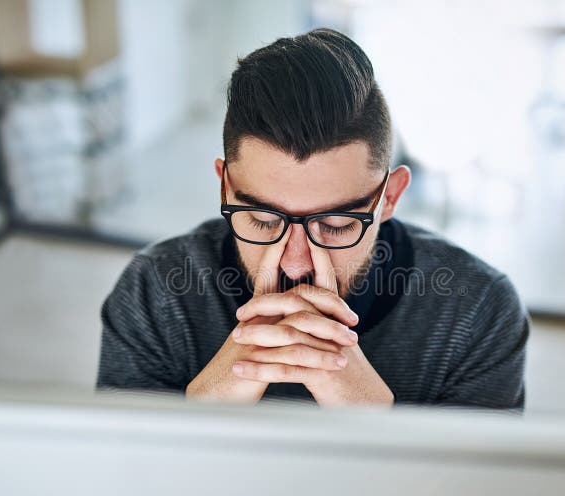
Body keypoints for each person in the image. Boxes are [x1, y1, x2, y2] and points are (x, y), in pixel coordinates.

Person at [97, 28, 529, 409]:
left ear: (391, 196)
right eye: (263, 219)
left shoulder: (478, 311)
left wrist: (374, 422)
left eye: (337, 224)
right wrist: (207, 406)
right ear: (225, 188)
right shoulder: (155, 292)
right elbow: (118, 488)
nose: (296, 262)